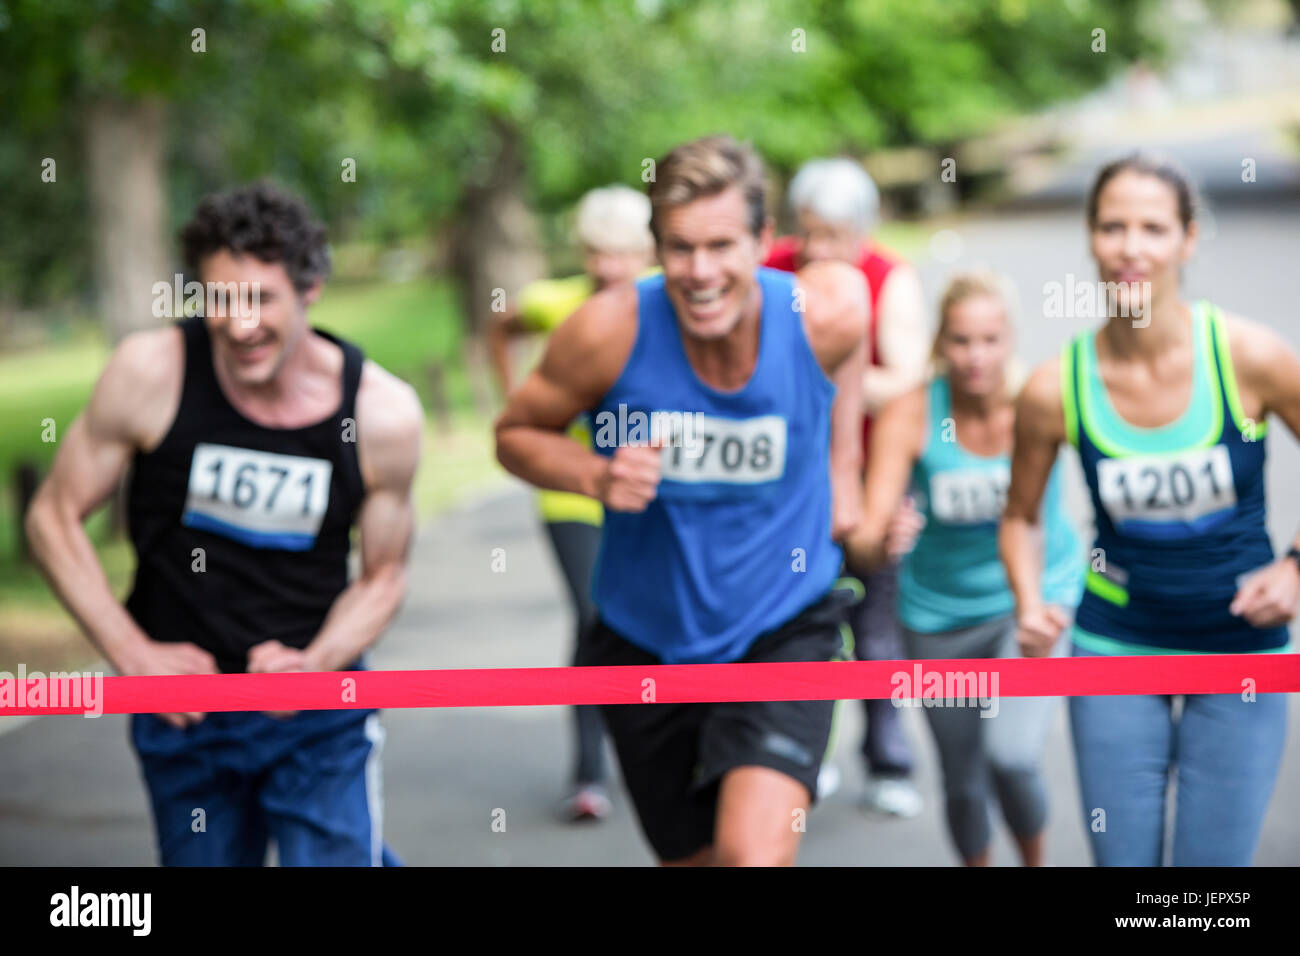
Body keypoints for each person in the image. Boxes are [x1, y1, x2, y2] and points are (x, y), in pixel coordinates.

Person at [24, 183, 424, 866]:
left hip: (314, 708)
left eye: (262, 299)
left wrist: (317, 663)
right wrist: (132, 653)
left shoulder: (381, 414)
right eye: (220, 299)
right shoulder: (151, 373)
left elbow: (384, 575)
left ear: (311, 289)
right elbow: (52, 517)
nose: (240, 325)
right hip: (186, 710)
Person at [495, 135, 867, 866]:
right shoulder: (607, 331)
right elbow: (514, 433)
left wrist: (847, 466)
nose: (700, 273)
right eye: (679, 249)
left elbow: (851, 351)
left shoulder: (822, 319)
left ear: (765, 241)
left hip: (783, 624)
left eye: (722, 246)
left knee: (752, 857)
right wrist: (594, 476)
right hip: (644, 637)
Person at [1001, 153, 1299, 866]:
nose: (1131, 247)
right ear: (1091, 237)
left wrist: (1295, 567)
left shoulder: (1250, 358)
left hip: (1241, 654)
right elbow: (1019, 516)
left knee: (1207, 885)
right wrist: (1027, 597)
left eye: (1153, 227)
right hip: (1114, 649)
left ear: (1188, 239)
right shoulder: (1055, 388)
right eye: (1112, 227)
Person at [845, 270, 1082, 865]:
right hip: (937, 618)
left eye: (990, 340)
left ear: (1011, 340)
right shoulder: (913, 414)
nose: (976, 357)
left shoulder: (1042, 397)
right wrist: (883, 540)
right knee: (962, 776)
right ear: (938, 344)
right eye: (960, 341)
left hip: (1031, 603)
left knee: (1013, 755)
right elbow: (866, 542)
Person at [765, 158, 928, 815]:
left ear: (863, 231)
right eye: (812, 234)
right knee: (799, 618)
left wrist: (819, 366)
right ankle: (804, 752)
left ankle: (889, 760)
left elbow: (906, 382)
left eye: (836, 235)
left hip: (871, 468)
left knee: (875, 621)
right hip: (787, 479)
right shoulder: (772, 267)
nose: (822, 250)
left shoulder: (891, 278)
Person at [487, 185, 655, 822]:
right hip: (574, 490)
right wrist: (514, 400)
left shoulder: (668, 299)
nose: (610, 267)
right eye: (597, 252)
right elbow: (501, 328)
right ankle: (589, 771)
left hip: (647, 492)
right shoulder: (556, 302)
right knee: (591, 614)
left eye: (625, 253)